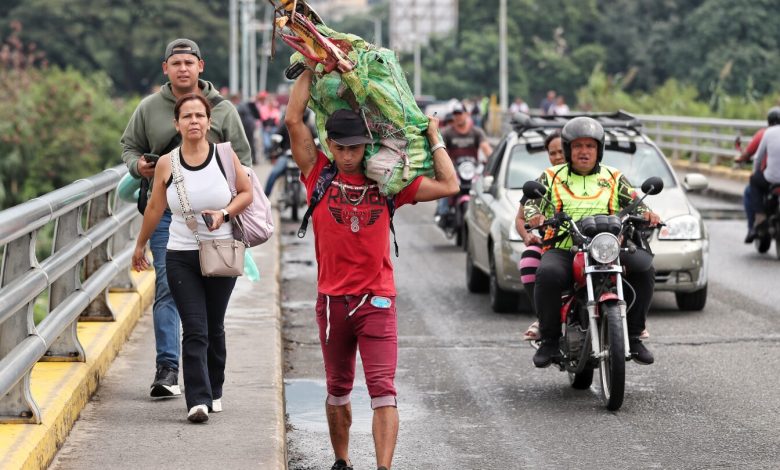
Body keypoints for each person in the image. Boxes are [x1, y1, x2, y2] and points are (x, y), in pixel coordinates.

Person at [285, 66, 459, 470]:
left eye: (356, 148)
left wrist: (434, 136)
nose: (348, 156)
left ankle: (384, 467)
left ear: (367, 146)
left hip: (376, 300)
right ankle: (342, 461)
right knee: (337, 390)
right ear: (330, 144)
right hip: (331, 303)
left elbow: (450, 185)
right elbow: (294, 119)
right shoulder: (319, 177)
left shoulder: (389, 186)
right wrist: (312, 67)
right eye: (341, 148)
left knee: (383, 391)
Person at [121, 38, 251, 399]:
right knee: (166, 287)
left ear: (200, 66)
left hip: (218, 222)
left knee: (211, 310)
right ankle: (168, 366)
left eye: (188, 62)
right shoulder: (149, 108)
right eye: (175, 62)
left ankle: (211, 382)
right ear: (166, 68)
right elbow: (128, 148)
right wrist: (139, 167)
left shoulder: (224, 110)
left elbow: (245, 163)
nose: (182, 68)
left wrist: (228, 205)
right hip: (167, 214)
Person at [525, 117, 661, 368]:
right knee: (548, 273)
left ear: (599, 149)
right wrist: (535, 216)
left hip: (608, 246)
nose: (584, 152)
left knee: (645, 268)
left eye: (590, 146)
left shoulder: (613, 176)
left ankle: (634, 334)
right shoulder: (551, 176)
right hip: (565, 247)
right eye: (578, 146)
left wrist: (648, 215)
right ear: (568, 150)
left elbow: (635, 203)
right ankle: (550, 340)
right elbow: (532, 203)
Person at [515, 131, 564, 341]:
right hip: (550, 245)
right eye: (552, 153)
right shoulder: (541, 183)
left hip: (589, 244)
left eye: (562, 151)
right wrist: (528, 236)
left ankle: (631, 325)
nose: (558, 157)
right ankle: (544, 319)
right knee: (528, 260)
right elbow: (519, 218)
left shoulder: (597, 179)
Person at [434, 102, 493, 223]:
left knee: (485, 187)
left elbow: (486, 149)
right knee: (447, 187)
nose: (458, 116)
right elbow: (440, 150)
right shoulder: (446, 133)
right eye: (455, 114)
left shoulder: (477, 132)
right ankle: (442, 212)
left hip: (472, 170)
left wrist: (491, 161)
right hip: (453, 169)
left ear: (467, 114)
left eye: (460, 113)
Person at [744, 107, 780, 242]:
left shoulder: (766, 133)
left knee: (754, 180)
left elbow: (758, 157)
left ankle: (760, 217)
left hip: (770, 178)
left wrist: (755, 171)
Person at [734, 125, 767, 242]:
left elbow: (752, 156)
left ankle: (753, 226)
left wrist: (741, 158)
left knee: (749, 191)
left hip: (768, 178)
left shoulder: (764, 134)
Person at [237, 93, 262, 164]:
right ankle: (254, 159)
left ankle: (250, 159)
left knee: (248, 143)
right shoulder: (248, 106)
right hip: (251, 125)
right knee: (252, 143)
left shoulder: (240, 106)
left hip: (246, 126)